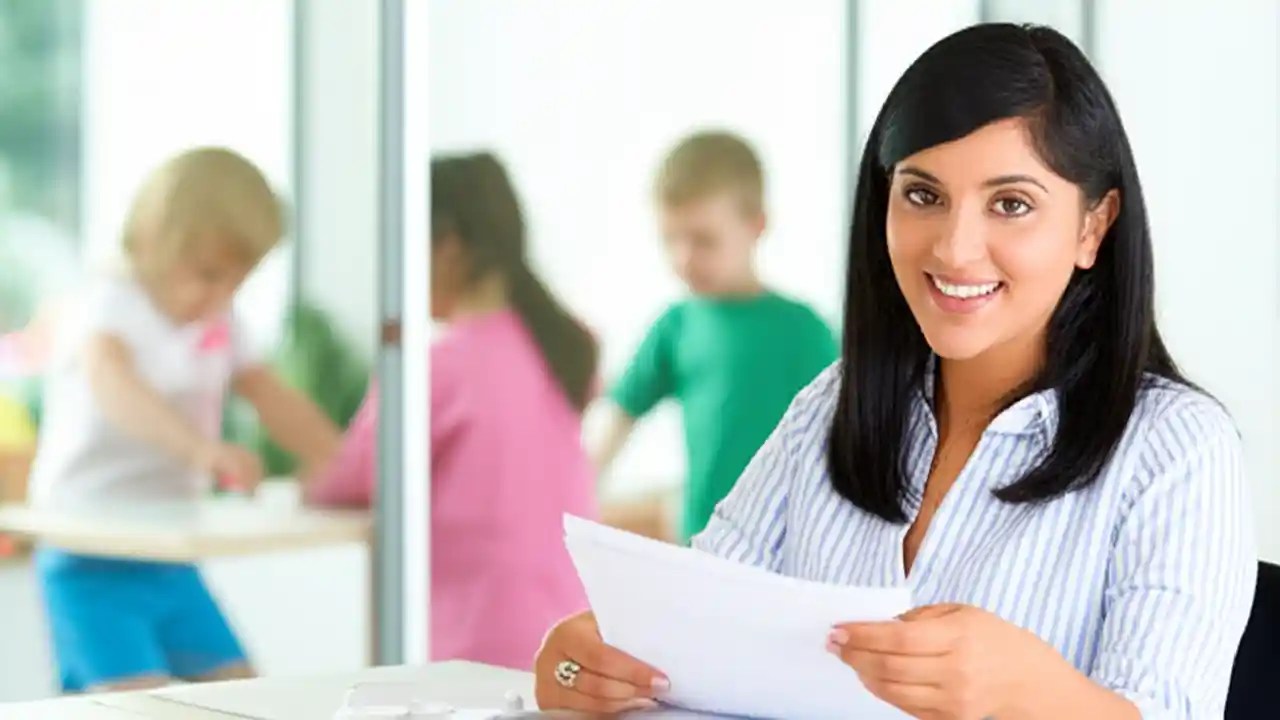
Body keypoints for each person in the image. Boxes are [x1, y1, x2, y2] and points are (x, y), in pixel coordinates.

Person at [533, 23, 1256, 718]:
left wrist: (1026, 693)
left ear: (1094, 226)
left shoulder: (1178, 450)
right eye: (923, 195)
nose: (955, 248)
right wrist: (589, 663)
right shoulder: (831, 405)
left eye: (1011, 204)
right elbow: (690, 633)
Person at [29, 147, 342, 692]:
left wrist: (341, 461)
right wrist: (203, 450)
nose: (220, 297)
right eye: (207, 275)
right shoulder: (108, 304)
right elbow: (115, 387)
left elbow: (269, 394)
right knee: (138, 702)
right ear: (153, 240)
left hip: (167, 554)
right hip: (87, 555)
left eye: (236, 283)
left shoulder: (218, 318)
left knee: (244, 692)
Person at [307, 152, 599, 671]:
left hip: (481, 650)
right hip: (572, 635)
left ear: (447, 248)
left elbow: (347, 479)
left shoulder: (441, 366)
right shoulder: (559, 346)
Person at [592, 131, 837, 544]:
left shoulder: (807, 331)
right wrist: (574, 494)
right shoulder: (675, 326)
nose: (683, 258)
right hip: (700, 542)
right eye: (670, 239)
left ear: (757, 225)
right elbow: (617, 418)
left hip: (789, 549)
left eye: (704, 240)